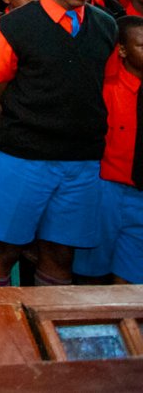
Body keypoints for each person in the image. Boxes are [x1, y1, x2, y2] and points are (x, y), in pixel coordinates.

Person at [0, 0, 117, 288]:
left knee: (60, 254)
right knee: (3, 248)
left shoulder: (104, 26)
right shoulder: (16, 26)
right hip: (23, 157)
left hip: (81, 160)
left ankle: (50, 336)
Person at [72, 16, 143, 284]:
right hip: (104, 190)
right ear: (123, 50)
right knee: (89, 273)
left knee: (133, 279)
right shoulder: (105, 88)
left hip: (140, 195)